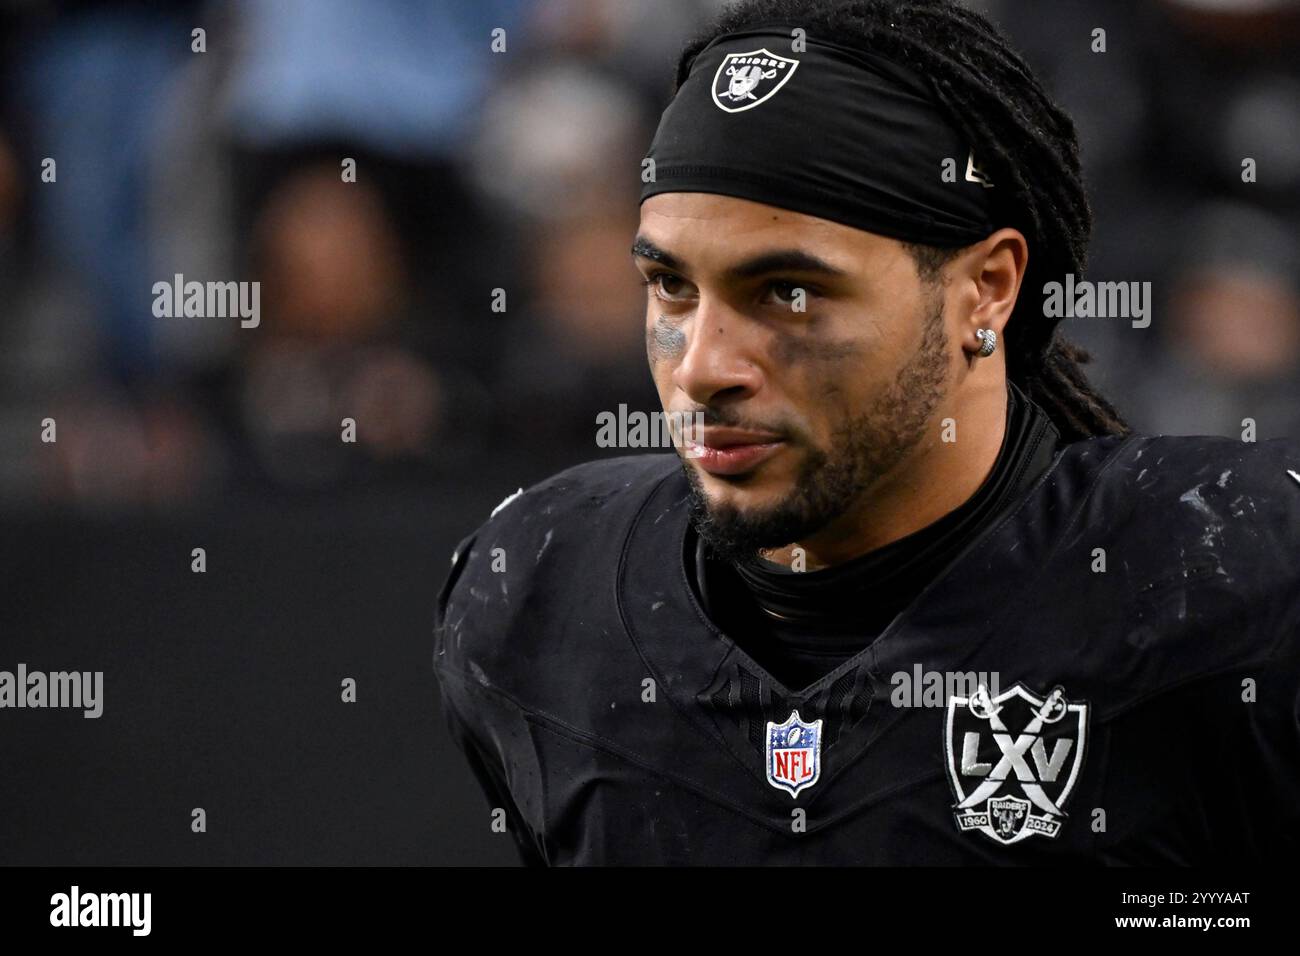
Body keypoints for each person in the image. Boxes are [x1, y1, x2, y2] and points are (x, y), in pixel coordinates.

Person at [433, 0, 1300, 864]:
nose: (702, 366)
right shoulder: (535, 600)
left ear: (986, 289)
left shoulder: (1229, 576)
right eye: (671, 287)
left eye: (788, 291)